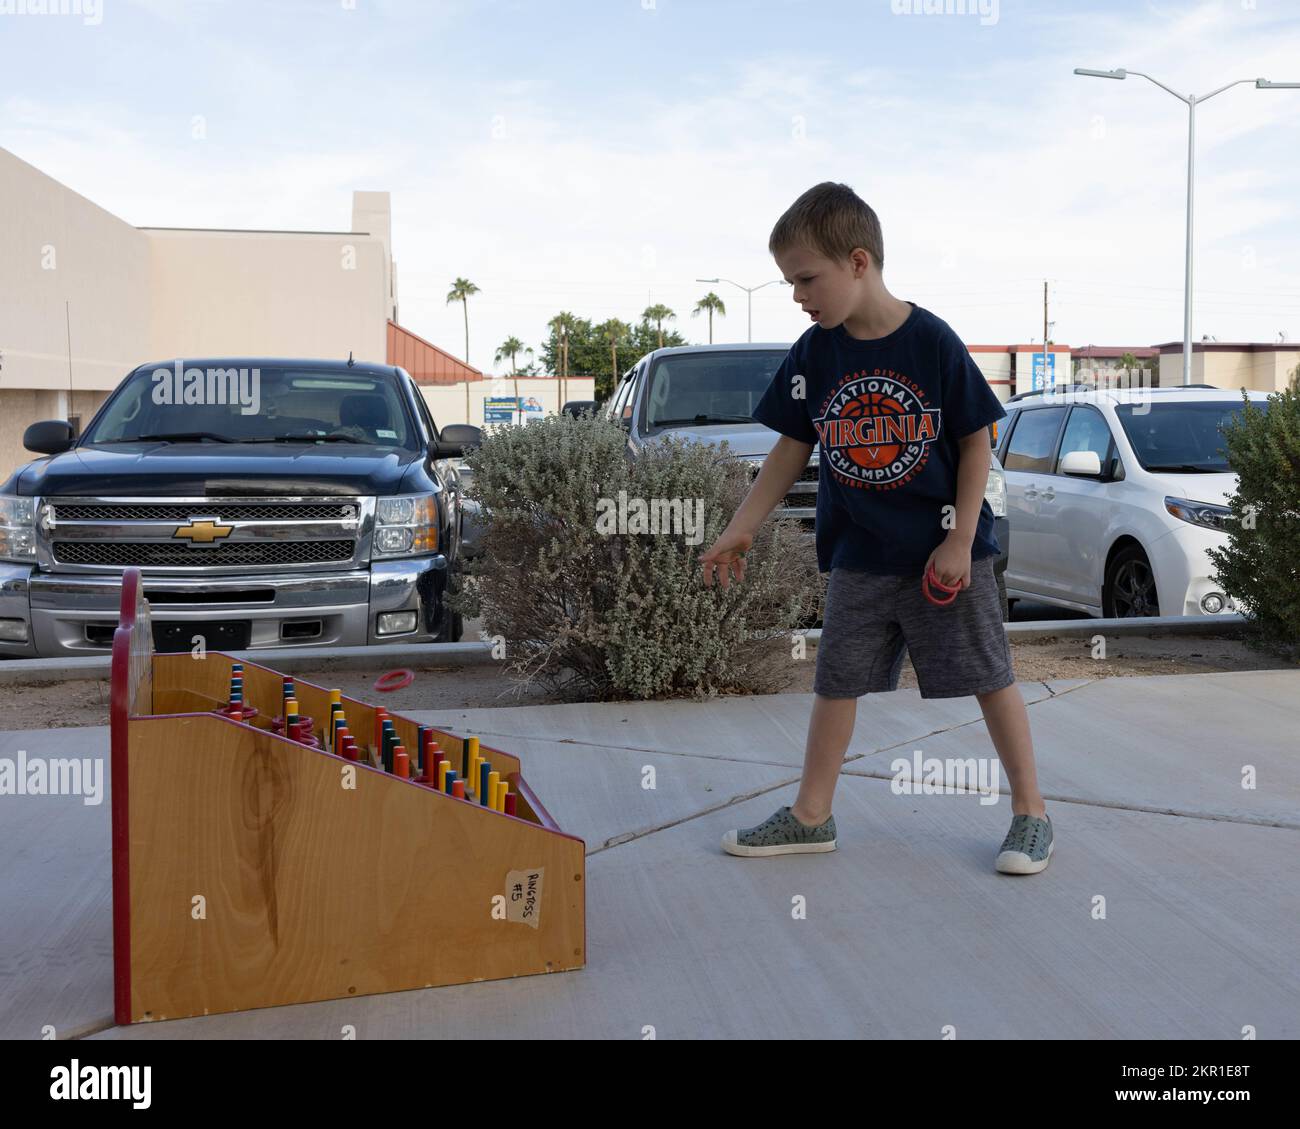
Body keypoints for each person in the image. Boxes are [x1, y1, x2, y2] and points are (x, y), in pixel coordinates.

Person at [699, 182, 1052, 875]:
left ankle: (1031, 813)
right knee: (836, 682)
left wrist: (959, 538)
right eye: (790, 282)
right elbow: (790, 448)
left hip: (943, 558)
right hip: (861, 554)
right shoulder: (814, 354)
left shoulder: (931, 342)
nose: (799, 295)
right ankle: (811, 816)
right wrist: (741, 526)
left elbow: (978, 441)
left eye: (806, 278)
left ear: (858, 262)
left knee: (989, 675)